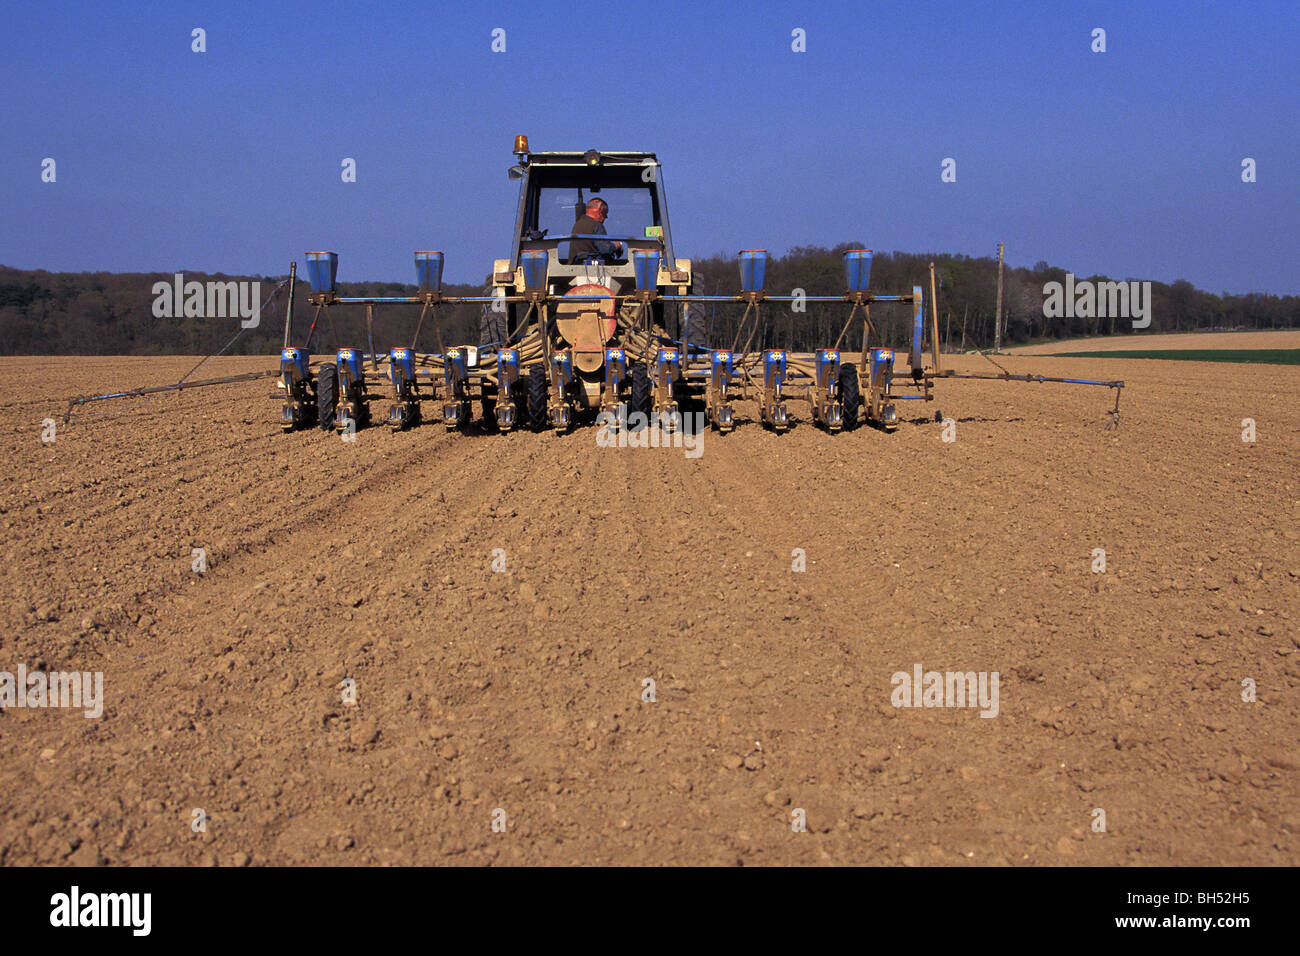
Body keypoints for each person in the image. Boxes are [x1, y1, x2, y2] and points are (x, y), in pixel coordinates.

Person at [568, 198, 624, 263]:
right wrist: (617, 245)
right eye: (605, 213)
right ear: (600, 209)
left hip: (574, 268)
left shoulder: (578, 224)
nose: (606, 217)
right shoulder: (596, 225)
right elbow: (605, 249)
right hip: (591, 269)